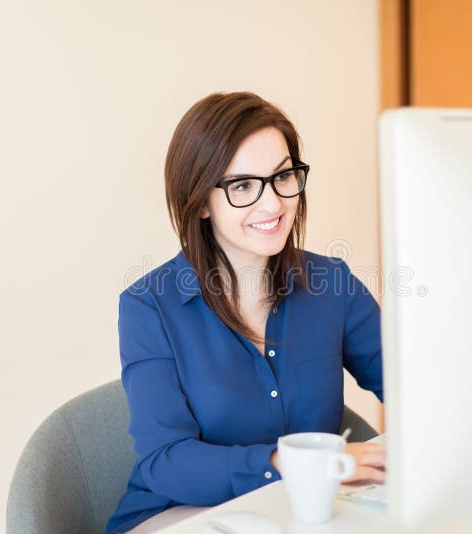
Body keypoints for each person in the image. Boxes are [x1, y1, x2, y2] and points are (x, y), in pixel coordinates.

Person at [107, 92, 384, 534]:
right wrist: (300, 464)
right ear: (199, 202)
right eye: (242, 186)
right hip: (177, 517)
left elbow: (414, 387)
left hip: (295, 513)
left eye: (282, 177)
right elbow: (166, 462)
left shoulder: (333, 284)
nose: (272, 204)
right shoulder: (148, 307)